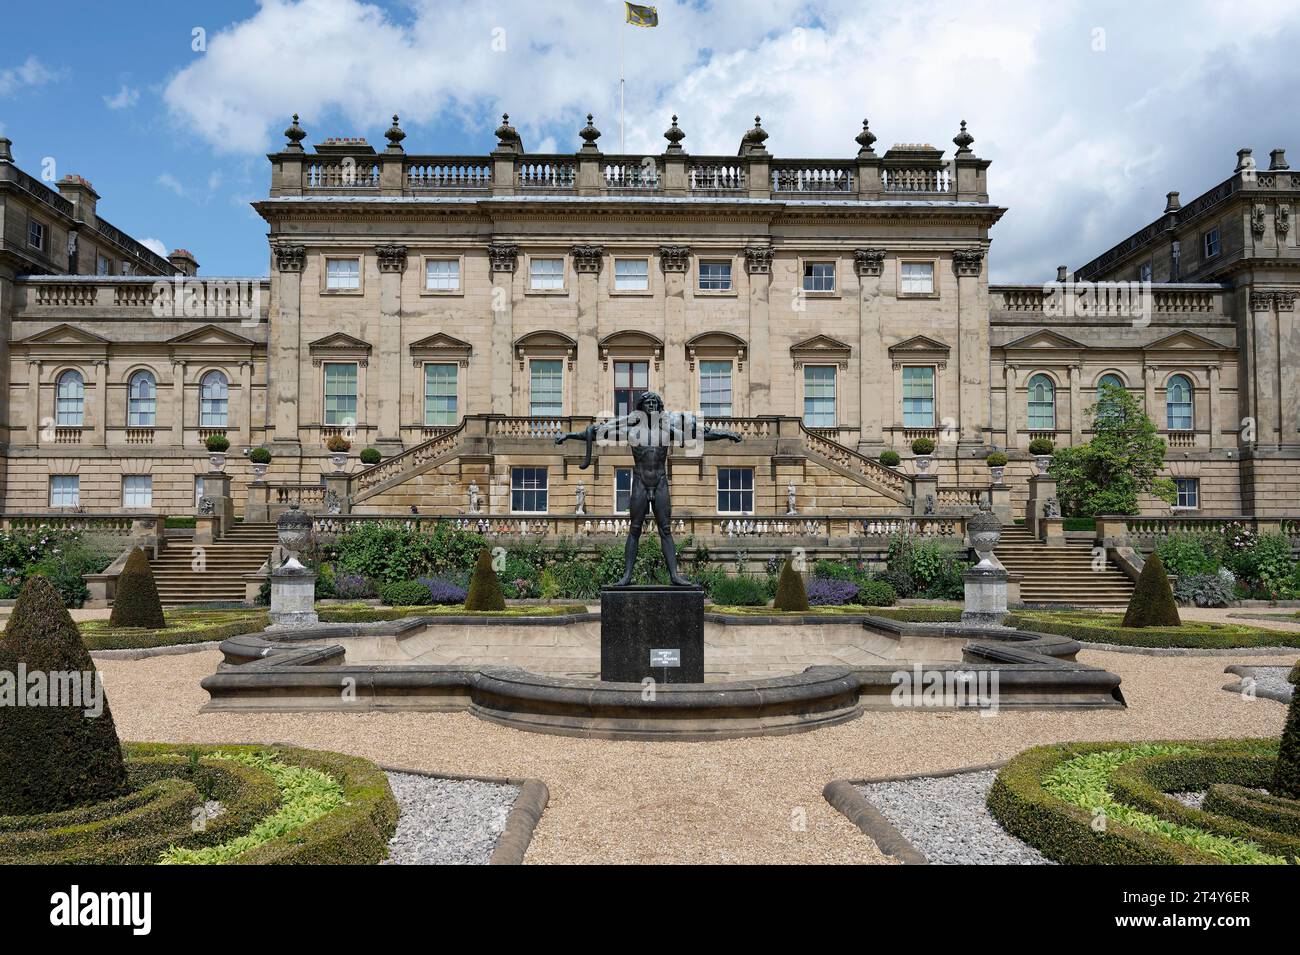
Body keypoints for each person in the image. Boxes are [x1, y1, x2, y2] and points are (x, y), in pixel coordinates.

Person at [556, 391, 740, 586]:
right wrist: (567, 436)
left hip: (660, 481)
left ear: (659, 408)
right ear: (641, 408)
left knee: (666, 530)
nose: (651, 406)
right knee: (634, 529)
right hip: (640, 482)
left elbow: (702, 434)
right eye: (647, 403)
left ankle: (674, 576)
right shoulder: (630, 431)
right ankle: (626, 576)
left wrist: (727, 434)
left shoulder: (668, 430)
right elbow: (593, 434)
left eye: (655, 403)